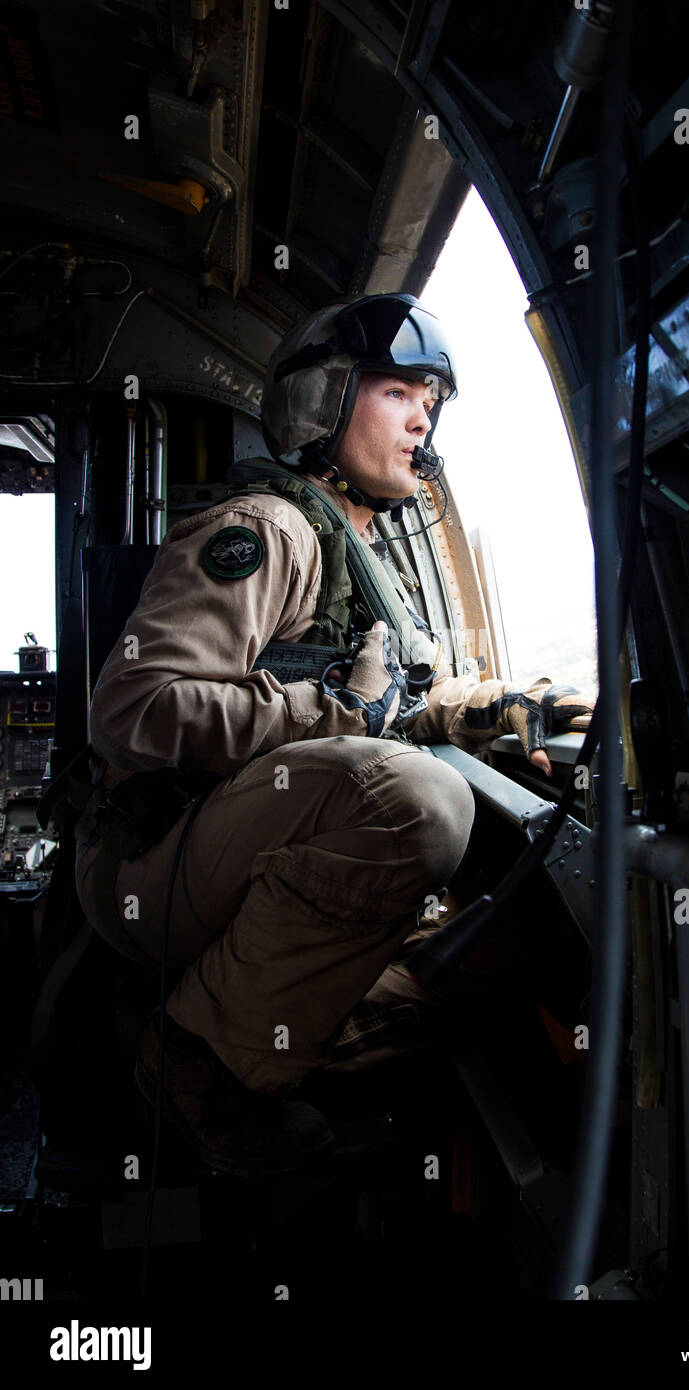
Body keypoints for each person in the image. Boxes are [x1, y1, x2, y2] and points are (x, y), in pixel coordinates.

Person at [72, 291, 593, 1175]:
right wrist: (336, 714)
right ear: (324, 400)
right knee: (419, 800)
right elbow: (131, 707)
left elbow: (397, 696)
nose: (423, 420)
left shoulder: (364, 559)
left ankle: (273, 1045)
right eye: (399, 392)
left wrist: (505, 707)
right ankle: (196, 1065)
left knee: (484, 946)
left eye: (431, 404)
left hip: (224, 852)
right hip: (146, 861)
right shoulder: (269, 530)